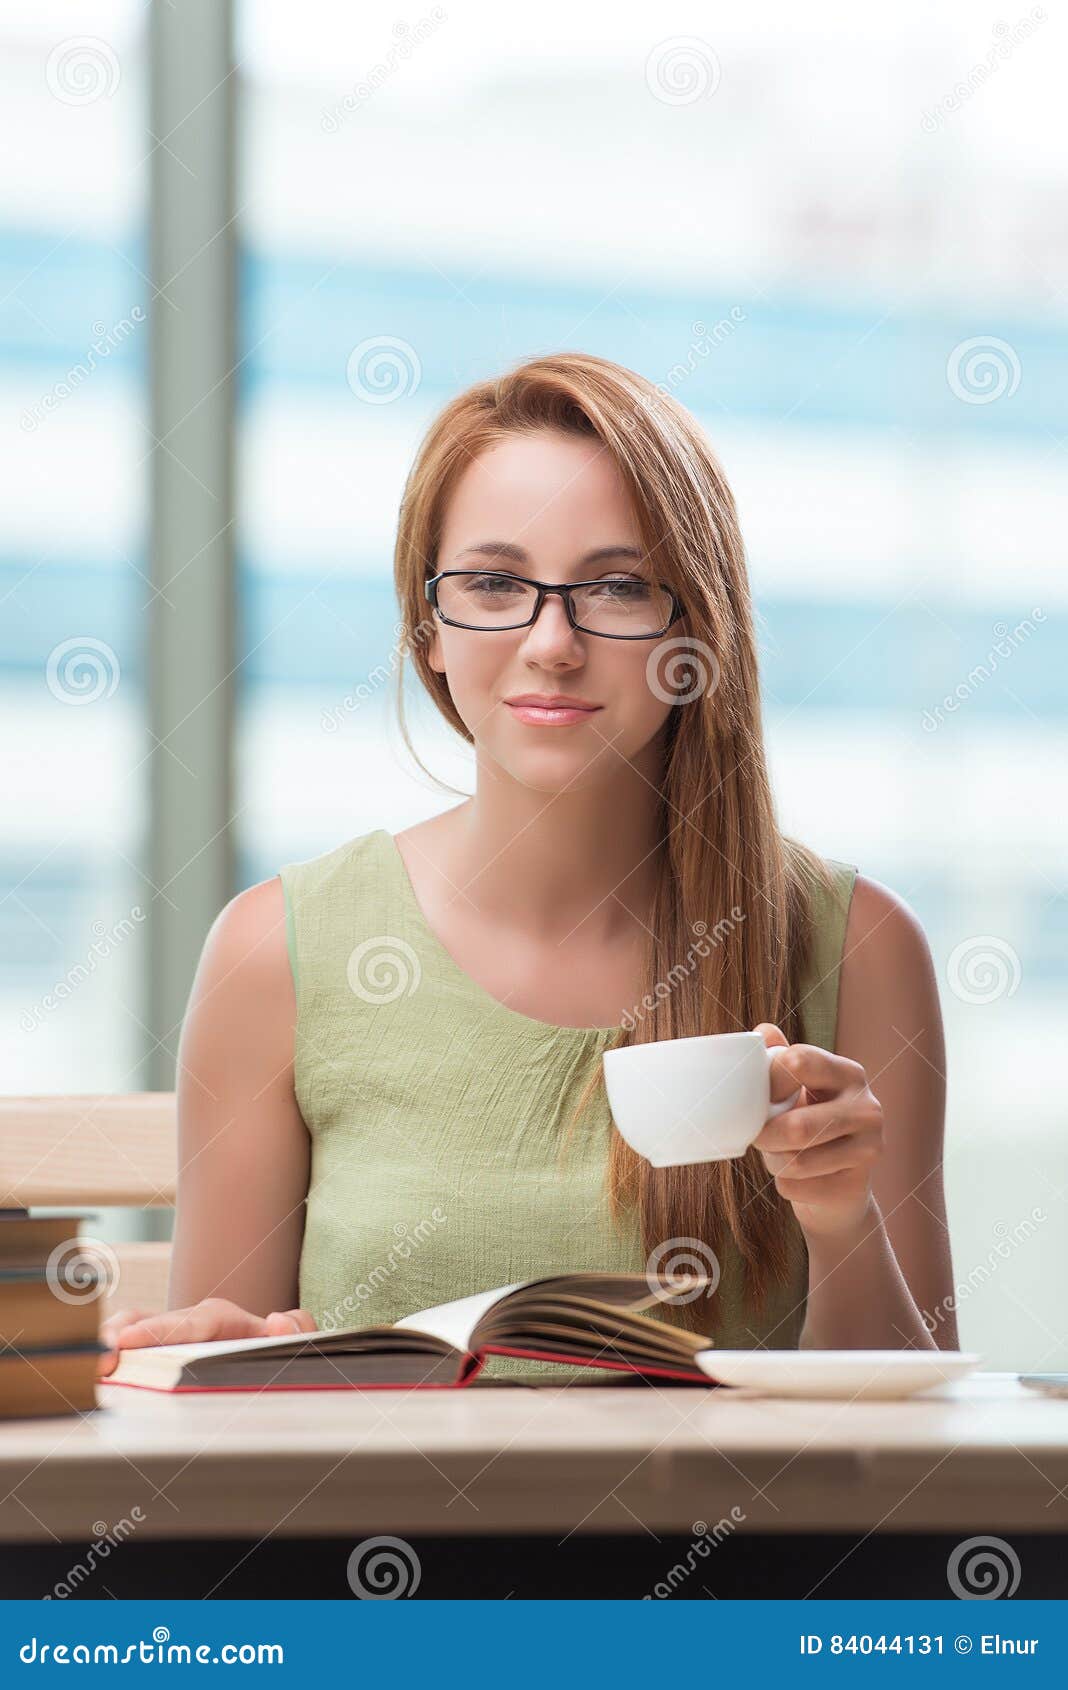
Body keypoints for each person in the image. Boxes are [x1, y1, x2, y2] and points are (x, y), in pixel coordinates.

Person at [99, 352, 956, 1380]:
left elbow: (918, 1453)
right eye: (495, 584)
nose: (552, 642)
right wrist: (219, 1362)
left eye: (620, 586)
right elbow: (225, 1389)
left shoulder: (858, 946)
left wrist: (840, 1215)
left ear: (698, 625)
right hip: (376, 1535)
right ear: (428, 630)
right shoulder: (274, 952)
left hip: (738, 1543)